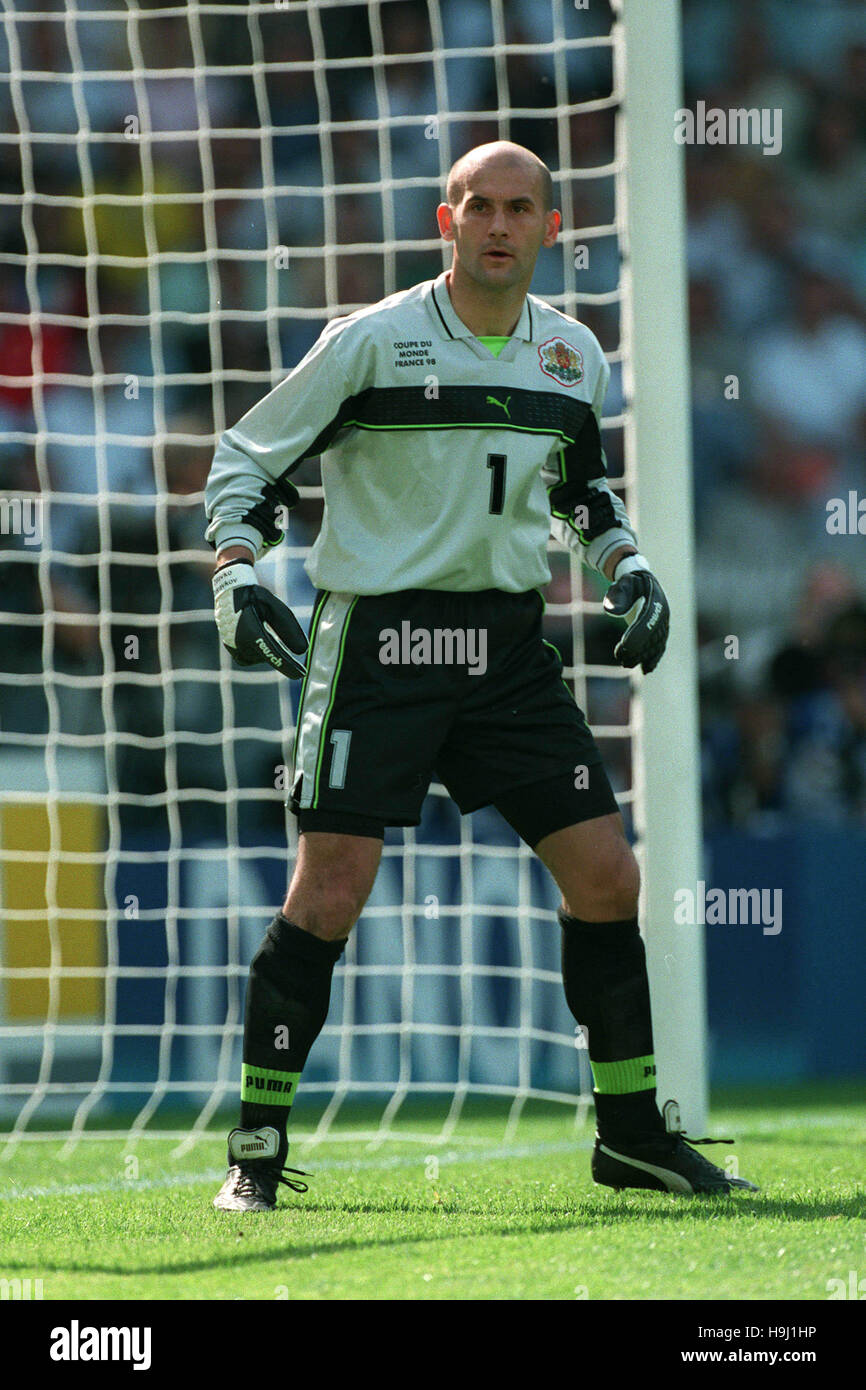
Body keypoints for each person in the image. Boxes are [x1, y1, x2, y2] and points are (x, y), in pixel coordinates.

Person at [204, 141, 757, 1209]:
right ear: (442, 222)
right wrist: (236, 573)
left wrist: (625, 567)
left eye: (519, 208)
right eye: (478, 207)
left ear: (551, 228)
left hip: (502, 648)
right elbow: (247, 460)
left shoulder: (570, 357)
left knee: (608, 877)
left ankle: (631, 1137)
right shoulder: (368, 343)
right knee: (328, 891)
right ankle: (256, 1153)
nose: (498, 225)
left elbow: (580, 496)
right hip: (375, 641)